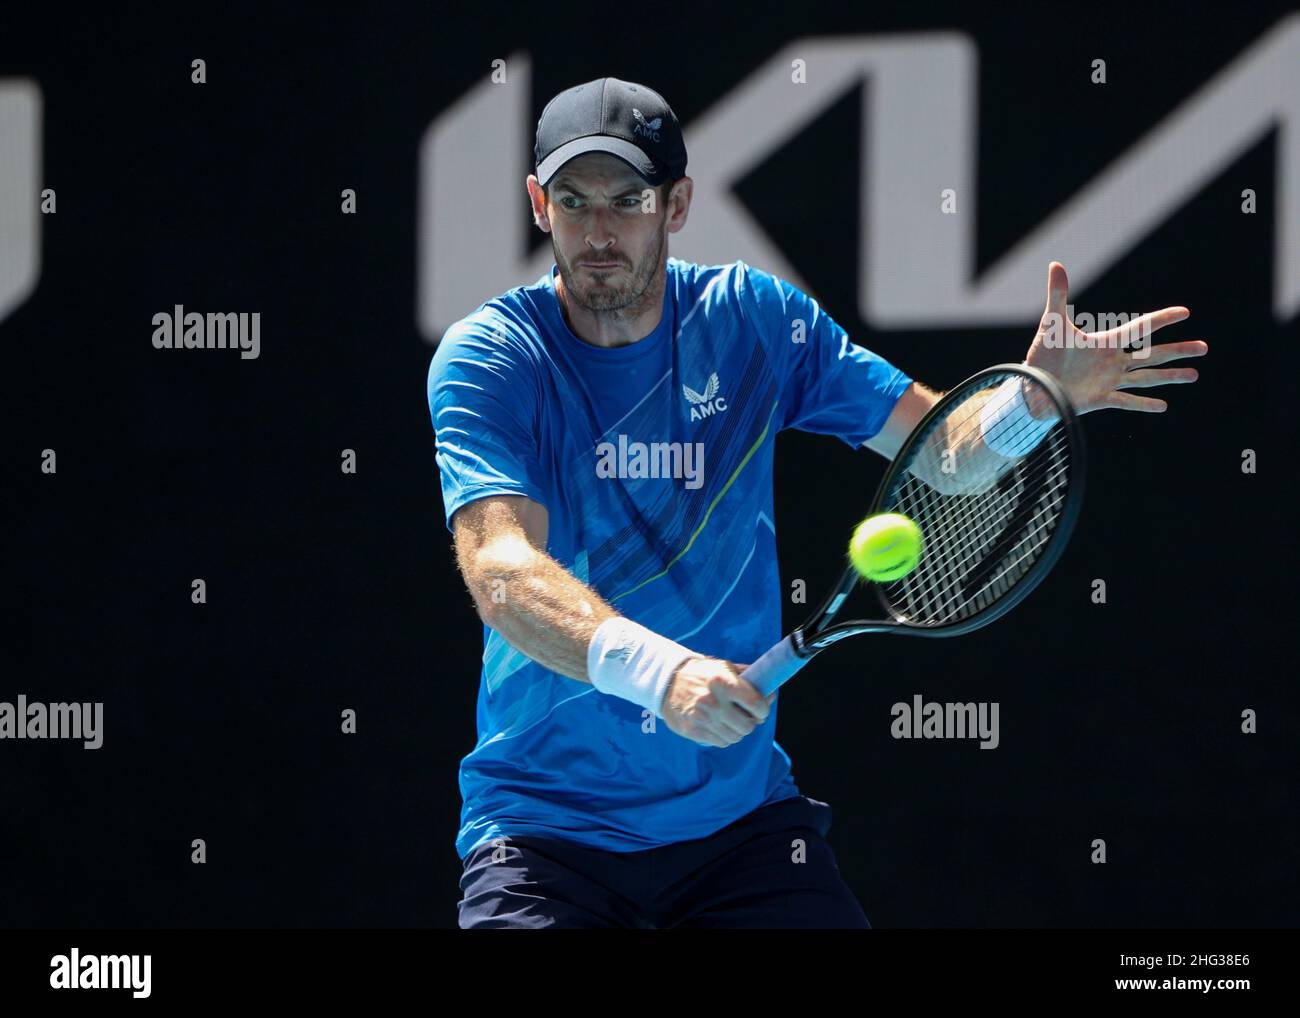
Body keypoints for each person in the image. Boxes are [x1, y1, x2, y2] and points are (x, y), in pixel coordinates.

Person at [426, 77, 1206, 928]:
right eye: (574, 202)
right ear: (540, 205)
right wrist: (664, 674)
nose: (599, 233)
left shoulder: (755, 320)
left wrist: (1031, 402)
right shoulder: (493, 357)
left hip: (739, 831)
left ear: (677, 204)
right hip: (544, 835)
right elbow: (501, 570)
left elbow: (940, 453)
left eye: (628, 200)